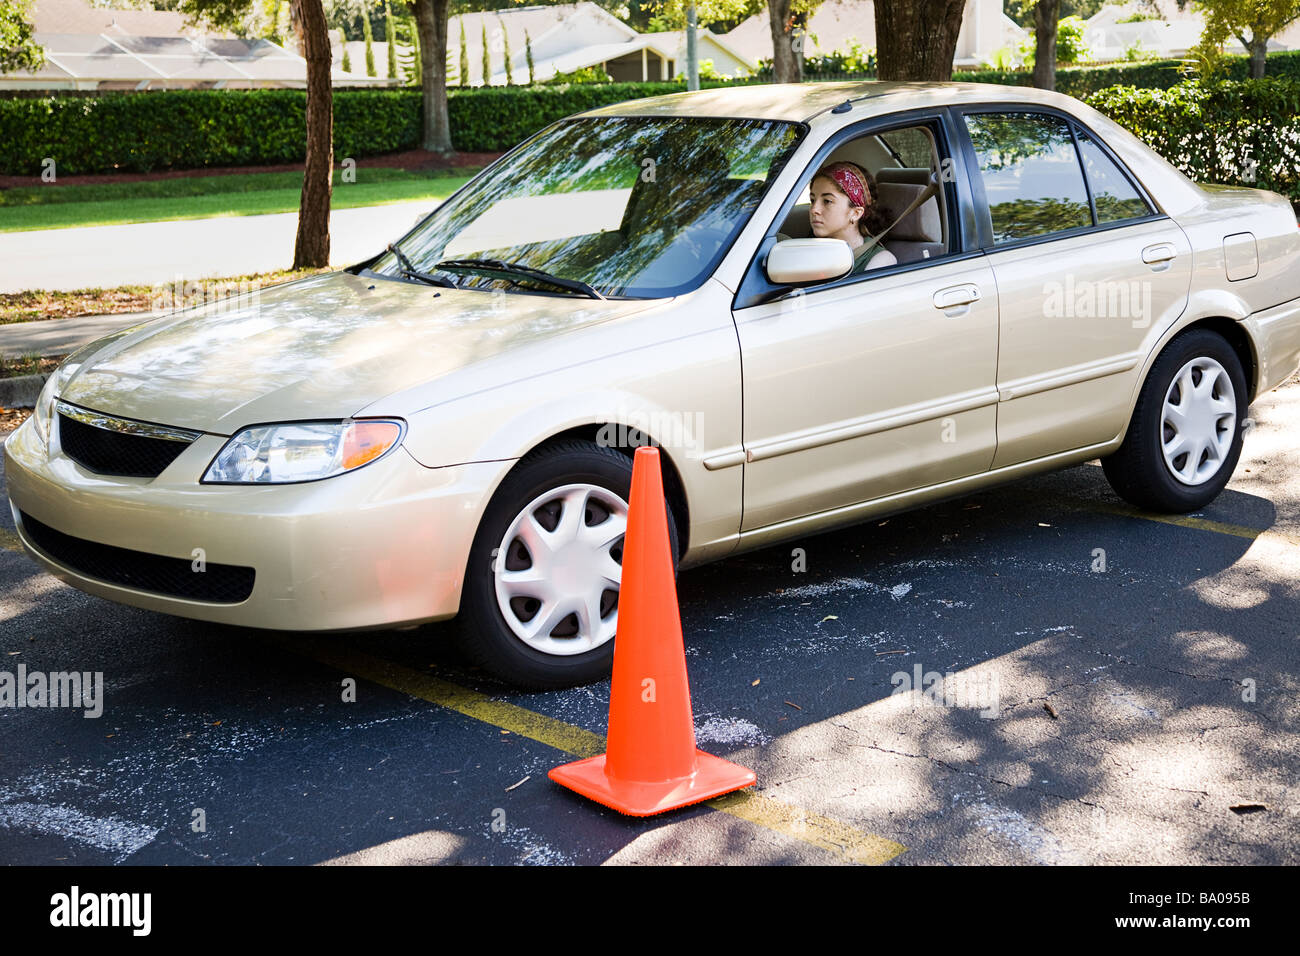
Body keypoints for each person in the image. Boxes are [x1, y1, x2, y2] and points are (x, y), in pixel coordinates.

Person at [778, 160, 897, 273]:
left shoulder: (880, 260)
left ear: (855, 213)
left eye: (827, 201)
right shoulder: (806, 248)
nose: (814, 209)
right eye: (812, 200)